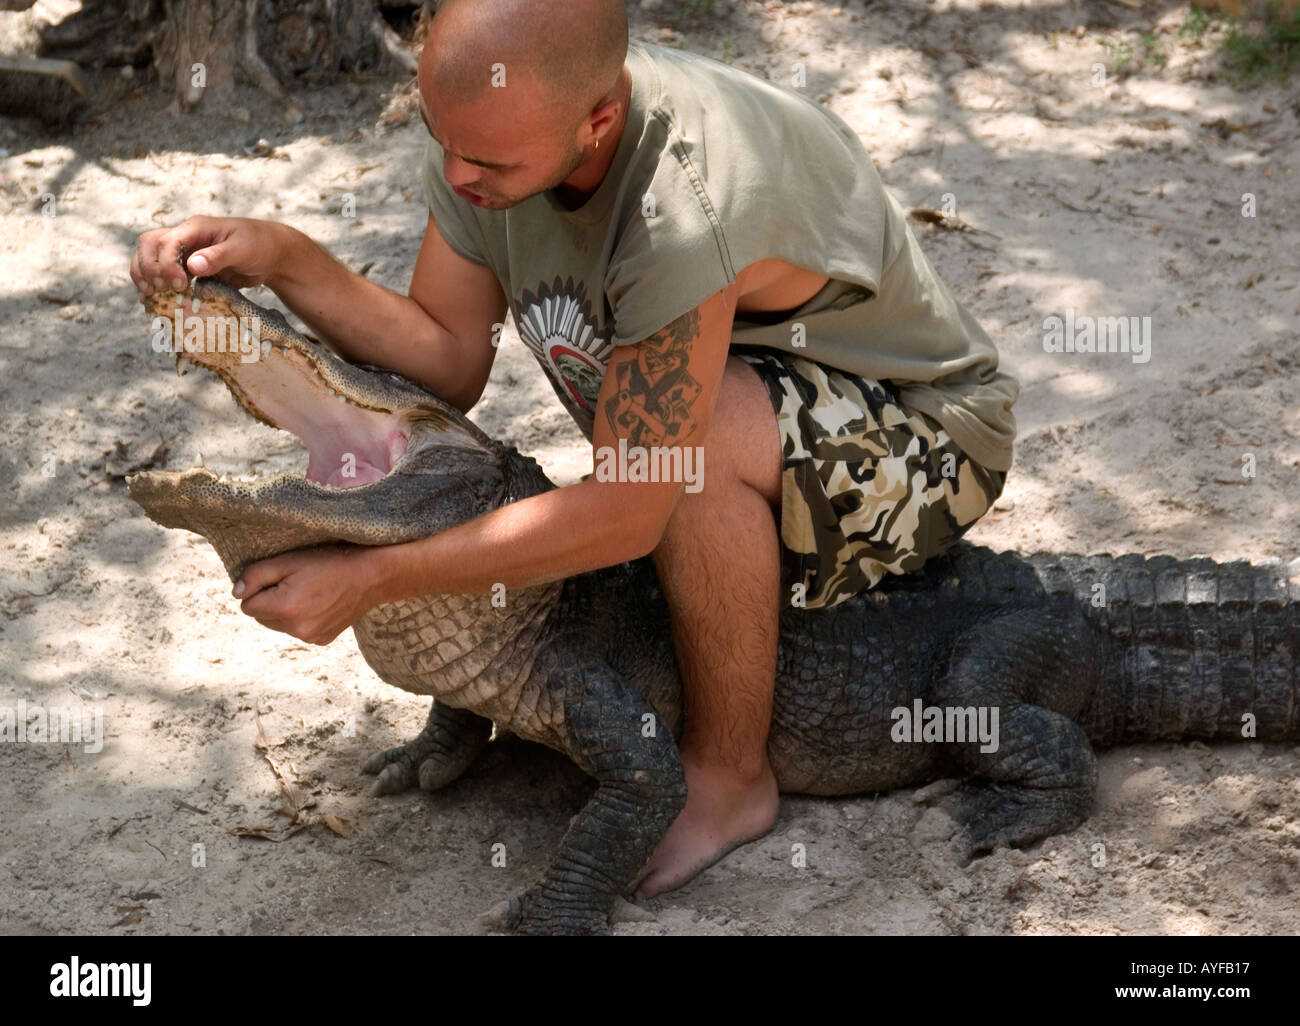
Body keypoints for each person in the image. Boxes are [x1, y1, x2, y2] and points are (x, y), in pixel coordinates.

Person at [129, 0, 1017, 897]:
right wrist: (285, 257)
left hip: (925, 433)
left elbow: (631, 509)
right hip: (759, 406)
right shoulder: (495, 126)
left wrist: (377, 578)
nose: (460, 175)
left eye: (489, 163)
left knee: (687, 453)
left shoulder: (681, 201)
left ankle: (729, 777)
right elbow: (447, 356)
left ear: (598, 123)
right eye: (444, 141)